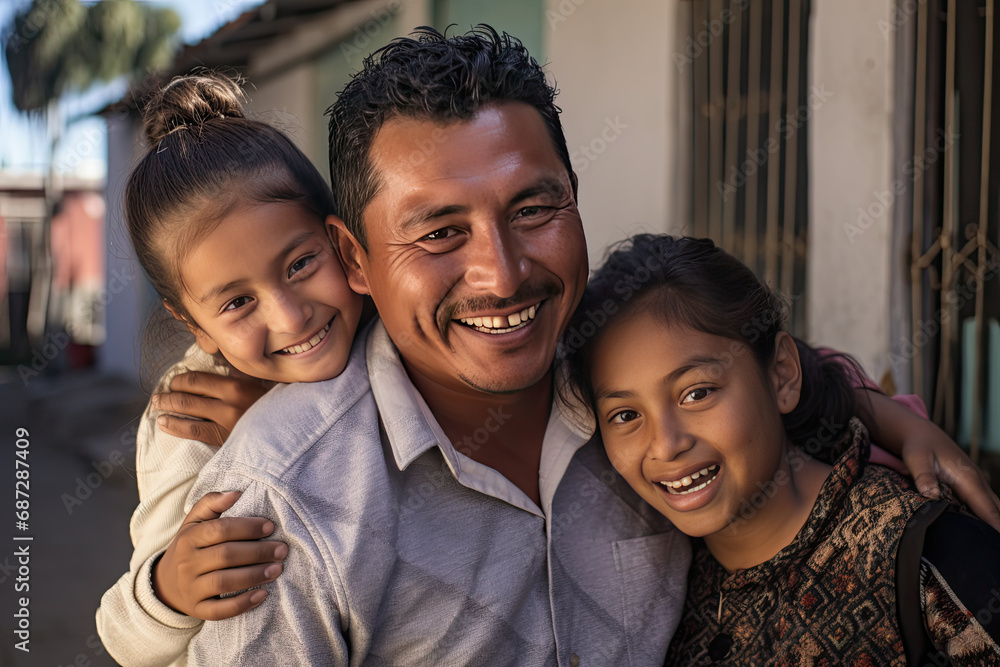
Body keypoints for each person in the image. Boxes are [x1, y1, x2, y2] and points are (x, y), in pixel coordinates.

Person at [108, 28, 1000, 665]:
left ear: (575, 198)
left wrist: (886, 413)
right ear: (357, 260)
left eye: (533, 208)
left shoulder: (621, 377)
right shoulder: (281, 502)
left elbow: (746, 356)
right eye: (438, 231)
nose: (502, 275)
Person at [567, 233, 1000, 665]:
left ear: (781, 375)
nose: (666, 445)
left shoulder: (925, 555)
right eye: (625, 416)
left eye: (696, 393)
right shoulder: (661, 589)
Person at [95, 72, 366, 667]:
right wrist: (168, 587)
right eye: (237, 302)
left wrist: (279, 428)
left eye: (300, 264)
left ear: (341, 240)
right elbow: (123, 634)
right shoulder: (188, 414)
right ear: (192, 323)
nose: (291, 317)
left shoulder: (388, 333)